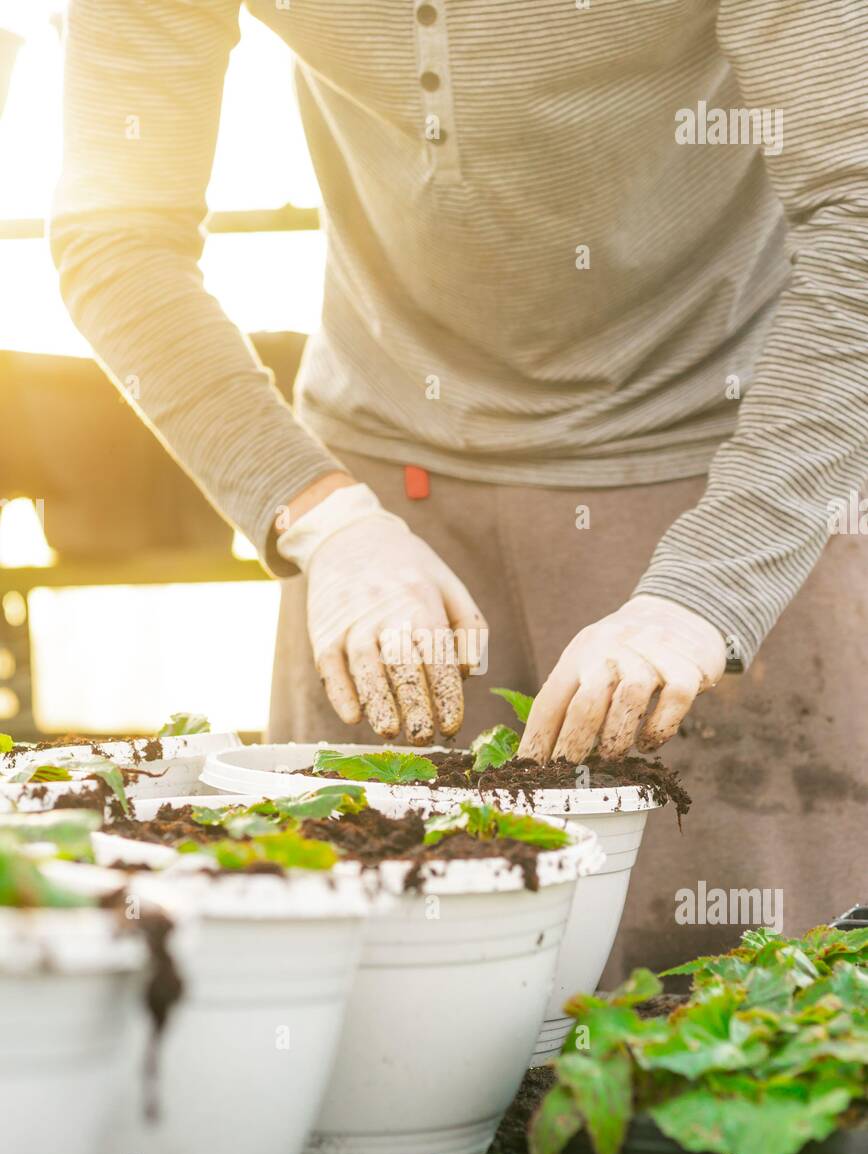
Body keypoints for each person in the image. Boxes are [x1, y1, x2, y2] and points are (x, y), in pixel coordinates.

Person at [51, 2, 868, 976]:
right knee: (367, 1014)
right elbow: (114, 235)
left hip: (732, 472)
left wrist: (707, 590)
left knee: (738, 1030)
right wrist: (326, 516)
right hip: (380, 512)